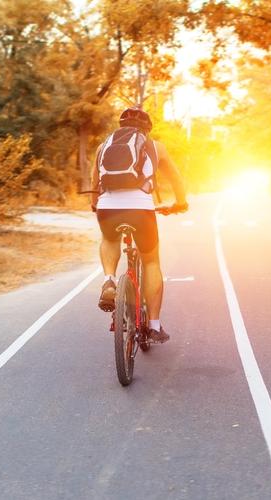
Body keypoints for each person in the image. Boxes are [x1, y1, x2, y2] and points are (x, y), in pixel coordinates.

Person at [91, 107, 188, 343]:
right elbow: (175, 178)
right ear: (147, 129)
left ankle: (109, 280)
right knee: (151, 260)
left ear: (121, 126)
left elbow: (95, 182)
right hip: (140, 208)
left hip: (108, 206)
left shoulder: (103, 146)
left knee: (109, 238)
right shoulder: (156, 146)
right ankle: (154, 325)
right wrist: (180, 202)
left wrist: (96, 205)